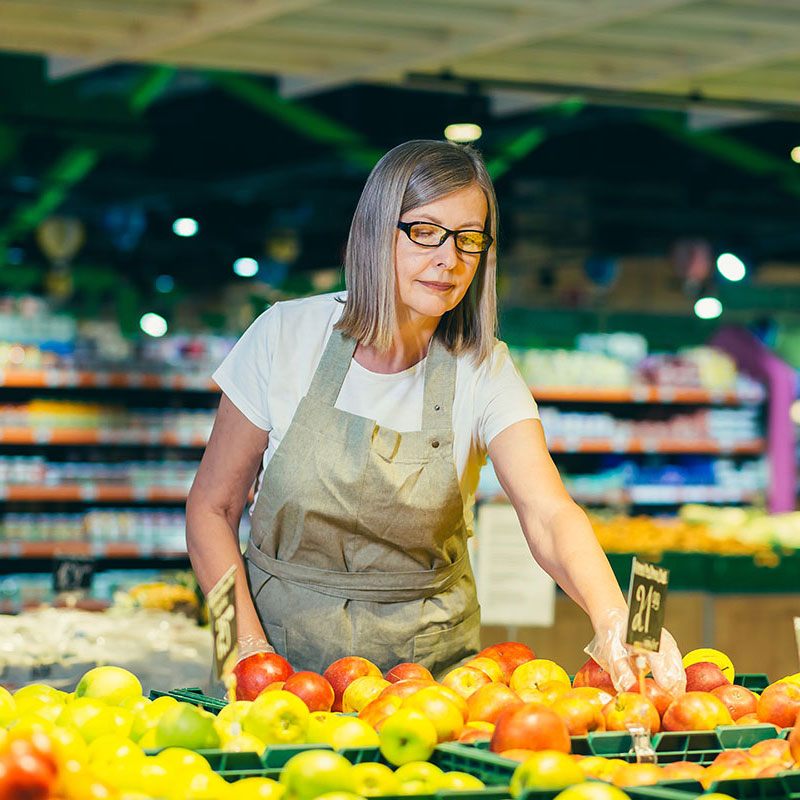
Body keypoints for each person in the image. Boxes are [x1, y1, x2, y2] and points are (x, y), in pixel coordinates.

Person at [186, 139, 685, 693]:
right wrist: (243, 651)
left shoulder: (483, 368)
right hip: (278, 669)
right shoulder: (285, 336)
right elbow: (212, 508)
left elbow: (548, 513)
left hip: (430, 689)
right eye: (425, 232)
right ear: (378, 230)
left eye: (469, 239)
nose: (448, 260)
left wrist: (616, 614)